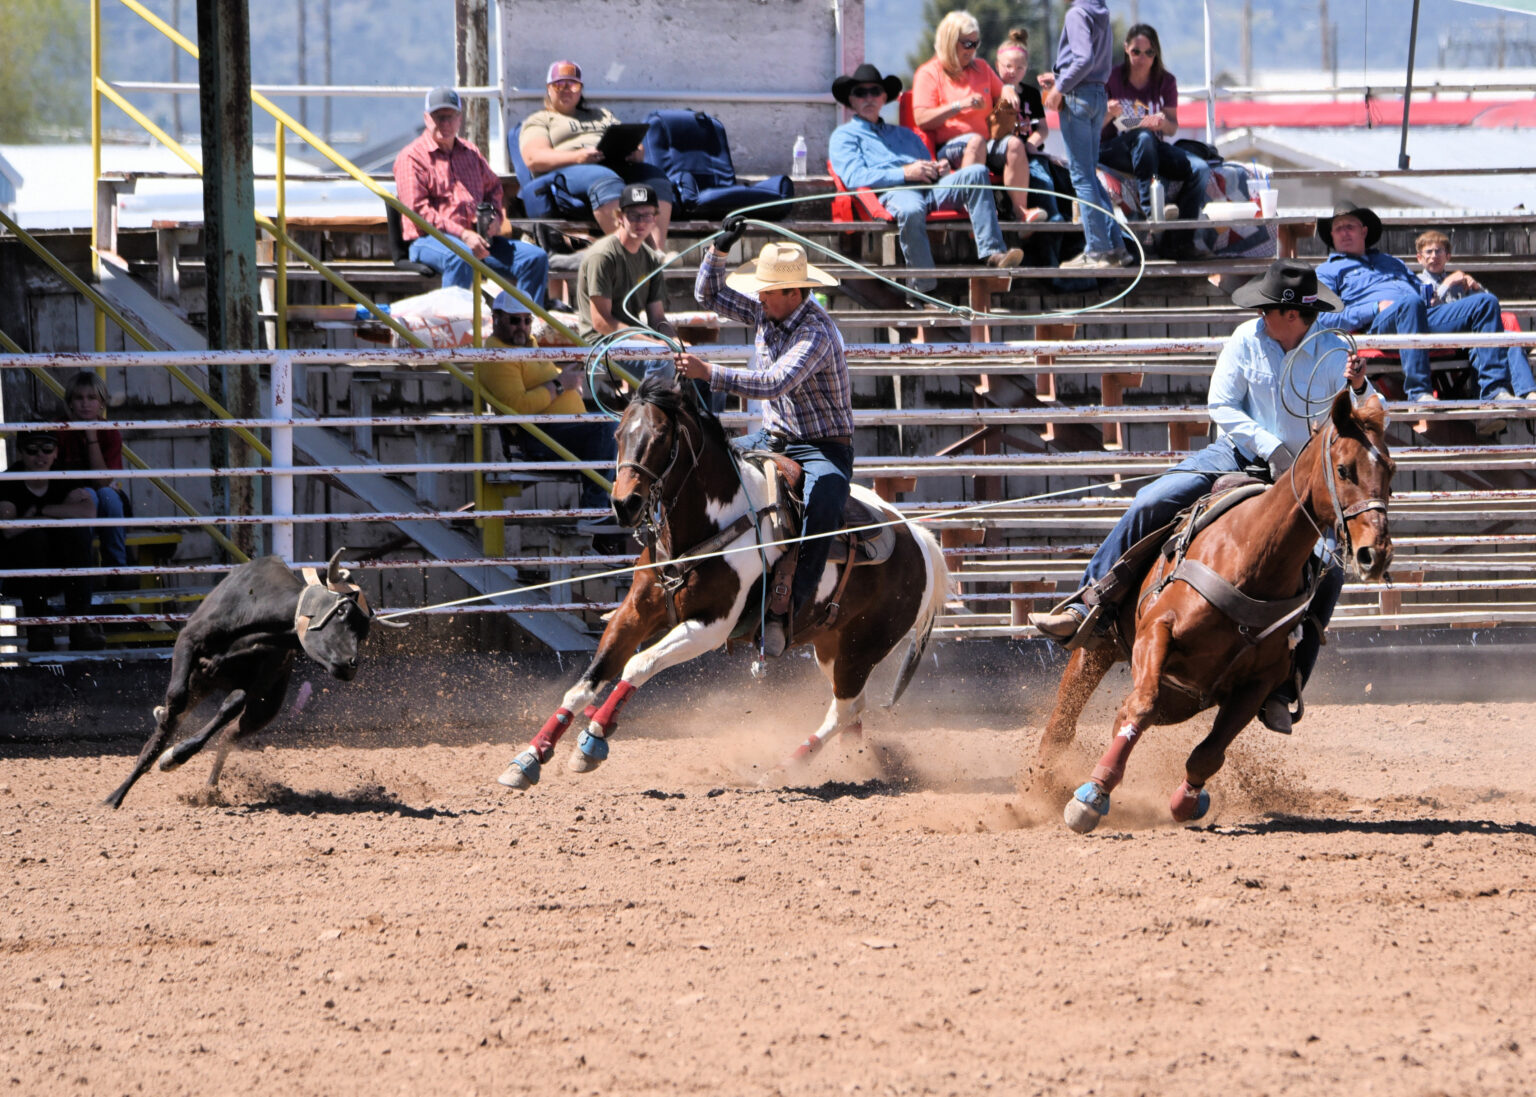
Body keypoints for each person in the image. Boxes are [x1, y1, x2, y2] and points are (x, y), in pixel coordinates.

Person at [1029, 260, 1374, 733]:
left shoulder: (1334, 354)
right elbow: (1222, 406)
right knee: (1152, 501)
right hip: (1236, 455)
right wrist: (1269, 447)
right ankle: (1091, 602)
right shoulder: (1246, 340)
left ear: (1291, 315)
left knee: (1330, 572)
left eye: (1266, 309)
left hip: (1301, 480)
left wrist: (1359, 385)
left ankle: (1285, 684)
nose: (1259, 315)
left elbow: (1371, 419)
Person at [677, 233, 851, 658]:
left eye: (768, 291)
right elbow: (709, 293)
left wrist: (708, 372)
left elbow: (774, 384)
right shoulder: (766, 311)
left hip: (822, 446)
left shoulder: (817, 333)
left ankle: (789, 608)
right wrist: (717, 250)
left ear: (794, 292)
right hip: (775, 437)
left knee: (825, 496)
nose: (760, 296)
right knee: (712, 468)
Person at [827, 63, 1023, 296]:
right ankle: (922, 291)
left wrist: (938, 169)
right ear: (851, 100)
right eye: (861, 93)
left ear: (883, 97)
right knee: (910, 209)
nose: (869, 98)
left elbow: (925, 164)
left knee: (976, 173)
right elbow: (853, 177)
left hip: (930, 188)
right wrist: (904, 173)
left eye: (875, 92)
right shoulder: (844, 136)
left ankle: (994, 254)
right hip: (895, 192)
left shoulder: (906, 134)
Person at [1315, 203, 1515, 421]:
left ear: (1364, 231)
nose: (1344, 232)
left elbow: (1422, 293)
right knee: (1410, 303)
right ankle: (1420, 395)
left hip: (1422, 314)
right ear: (1332, 236)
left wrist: (1438, 293)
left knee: (1484, 302)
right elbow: (1323, 318)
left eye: (1350, 226)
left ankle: (1493, 392)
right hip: (1381, 325)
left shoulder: (1392, 262)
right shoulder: (1327, 271)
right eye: (1338, 228)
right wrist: (1374, 308)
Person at [393, 86, 549, 304]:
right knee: (462, 256)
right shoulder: (412, 157)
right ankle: (457, 332)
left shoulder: (470, 152)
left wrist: (495, 218)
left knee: (535, 258)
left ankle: (524, 325)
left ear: (460, 118)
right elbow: (417, 211)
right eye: (439, 117)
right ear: (427, 118)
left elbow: (494, 187)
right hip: (428, 240)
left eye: (451, 116)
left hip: (478, 238)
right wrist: (463, 234)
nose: (445, 123)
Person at [518, 60, 677, 252]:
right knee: (604, 178)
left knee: (655, 177)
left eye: (573, 85)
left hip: (611, 163)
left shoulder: (601, 114)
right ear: (549, 89)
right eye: (559, 84)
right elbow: (534, 159)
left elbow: (634, 142)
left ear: (580, 89)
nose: (567, 90)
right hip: (569, 170)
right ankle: (633, 253)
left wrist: (635, 152)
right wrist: (577, 157)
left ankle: (656, 253)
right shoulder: (541, 120)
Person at [911, 12, 1041, 228]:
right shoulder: (929, 73)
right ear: (950, 41)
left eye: (975, 43)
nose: (972, 49)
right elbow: (921, 118)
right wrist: (959, 105)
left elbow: (1004, 91)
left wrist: (1008, 90)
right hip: (949, 148)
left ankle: (1021, 212)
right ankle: (976, 215)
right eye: (967, 43)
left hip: (984, 142)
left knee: (1015, 145)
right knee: (975, 141)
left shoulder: (981, 67)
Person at [1097, 23, 1211, 260]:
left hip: (1151, 147)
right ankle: (1152, 215)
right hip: (1113, 147)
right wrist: (1107, 113)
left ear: (1156, 54)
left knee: (1200, 168)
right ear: (1126, 49)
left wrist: (1161, 123)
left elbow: (1172, 127)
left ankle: (1181, 241)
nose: (1142, 58)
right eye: (1136, 52)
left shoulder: (1166, 81)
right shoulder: (1110, 78)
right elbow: (1093, 130)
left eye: (1149, 53)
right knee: (1143, 136)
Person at [1042, 0, 1126, 270]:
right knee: (1089, 174)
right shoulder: (1100, 12)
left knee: (1081, 176)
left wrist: (1059, 88)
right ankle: (1115, 247)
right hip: (1097, 94)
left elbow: (1083, 59)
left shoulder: (1077, 13)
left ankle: (1097, 250)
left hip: (1078, 97)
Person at [1, 430, 104, 651]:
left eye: (47, 449)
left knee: (77, 533)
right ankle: (38, 629)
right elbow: (8, 529)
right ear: (20, 452)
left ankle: (79, 625)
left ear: (56, 452)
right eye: (32, 450)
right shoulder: (9, 480)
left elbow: (88, 511)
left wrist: (38, 512)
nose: (40, 456)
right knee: (33, 537)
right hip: (22, 570)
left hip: (59, 567)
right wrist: (58, 513)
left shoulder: (63, 476)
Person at [1415, 229, 1536, 399]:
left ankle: (1527, 392)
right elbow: (1427, 310)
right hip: (1440, 338)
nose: (1434, 256)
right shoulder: (1417, 281)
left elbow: (1490, 307)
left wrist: (1477, 288)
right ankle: (1491, 399)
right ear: (1419, 257)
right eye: (1429, 252)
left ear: (1448, 256)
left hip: (1471, 338)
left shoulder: (1460, 280)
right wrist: (1447, 284)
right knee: (1486, 342)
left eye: (1438, 251)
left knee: (1508, 338)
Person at [574, 184, 678, 347]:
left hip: (637, 342)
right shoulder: (603, 255)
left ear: (655, 219)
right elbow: (601, 322)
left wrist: (675, 342)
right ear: (620, 217)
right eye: (633, 215)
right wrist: (652, 344)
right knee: (661, 364)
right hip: (602, 344)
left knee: (694, 363)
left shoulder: (651, 258)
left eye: (647, 215)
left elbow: (657, 318)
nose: (641, 222)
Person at [55, 370, 129, 570]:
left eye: (92, 398)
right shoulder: (59, 431)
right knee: (89, 496)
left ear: (102, 403)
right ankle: (83, 569)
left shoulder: (109, 432)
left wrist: (91, 435)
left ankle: (117, 569)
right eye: (79, 398)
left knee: (106, 495)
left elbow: (103, 482)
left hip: (105, 499)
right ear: (70, 402)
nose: (85, 403)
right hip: (70, 497)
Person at [993, 28, 1065, 228]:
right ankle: (1048, 218)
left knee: (1049, 176)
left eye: (1019, 68)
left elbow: (1042, 128)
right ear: (997, 65)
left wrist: (1032, 144)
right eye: (1008, 66)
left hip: (1031, 152)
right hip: (1007, 154)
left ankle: (1056, 218)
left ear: (1026, 68)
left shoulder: (1032, 94)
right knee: (1039, 177)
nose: (1013, 72)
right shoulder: (994, 93)